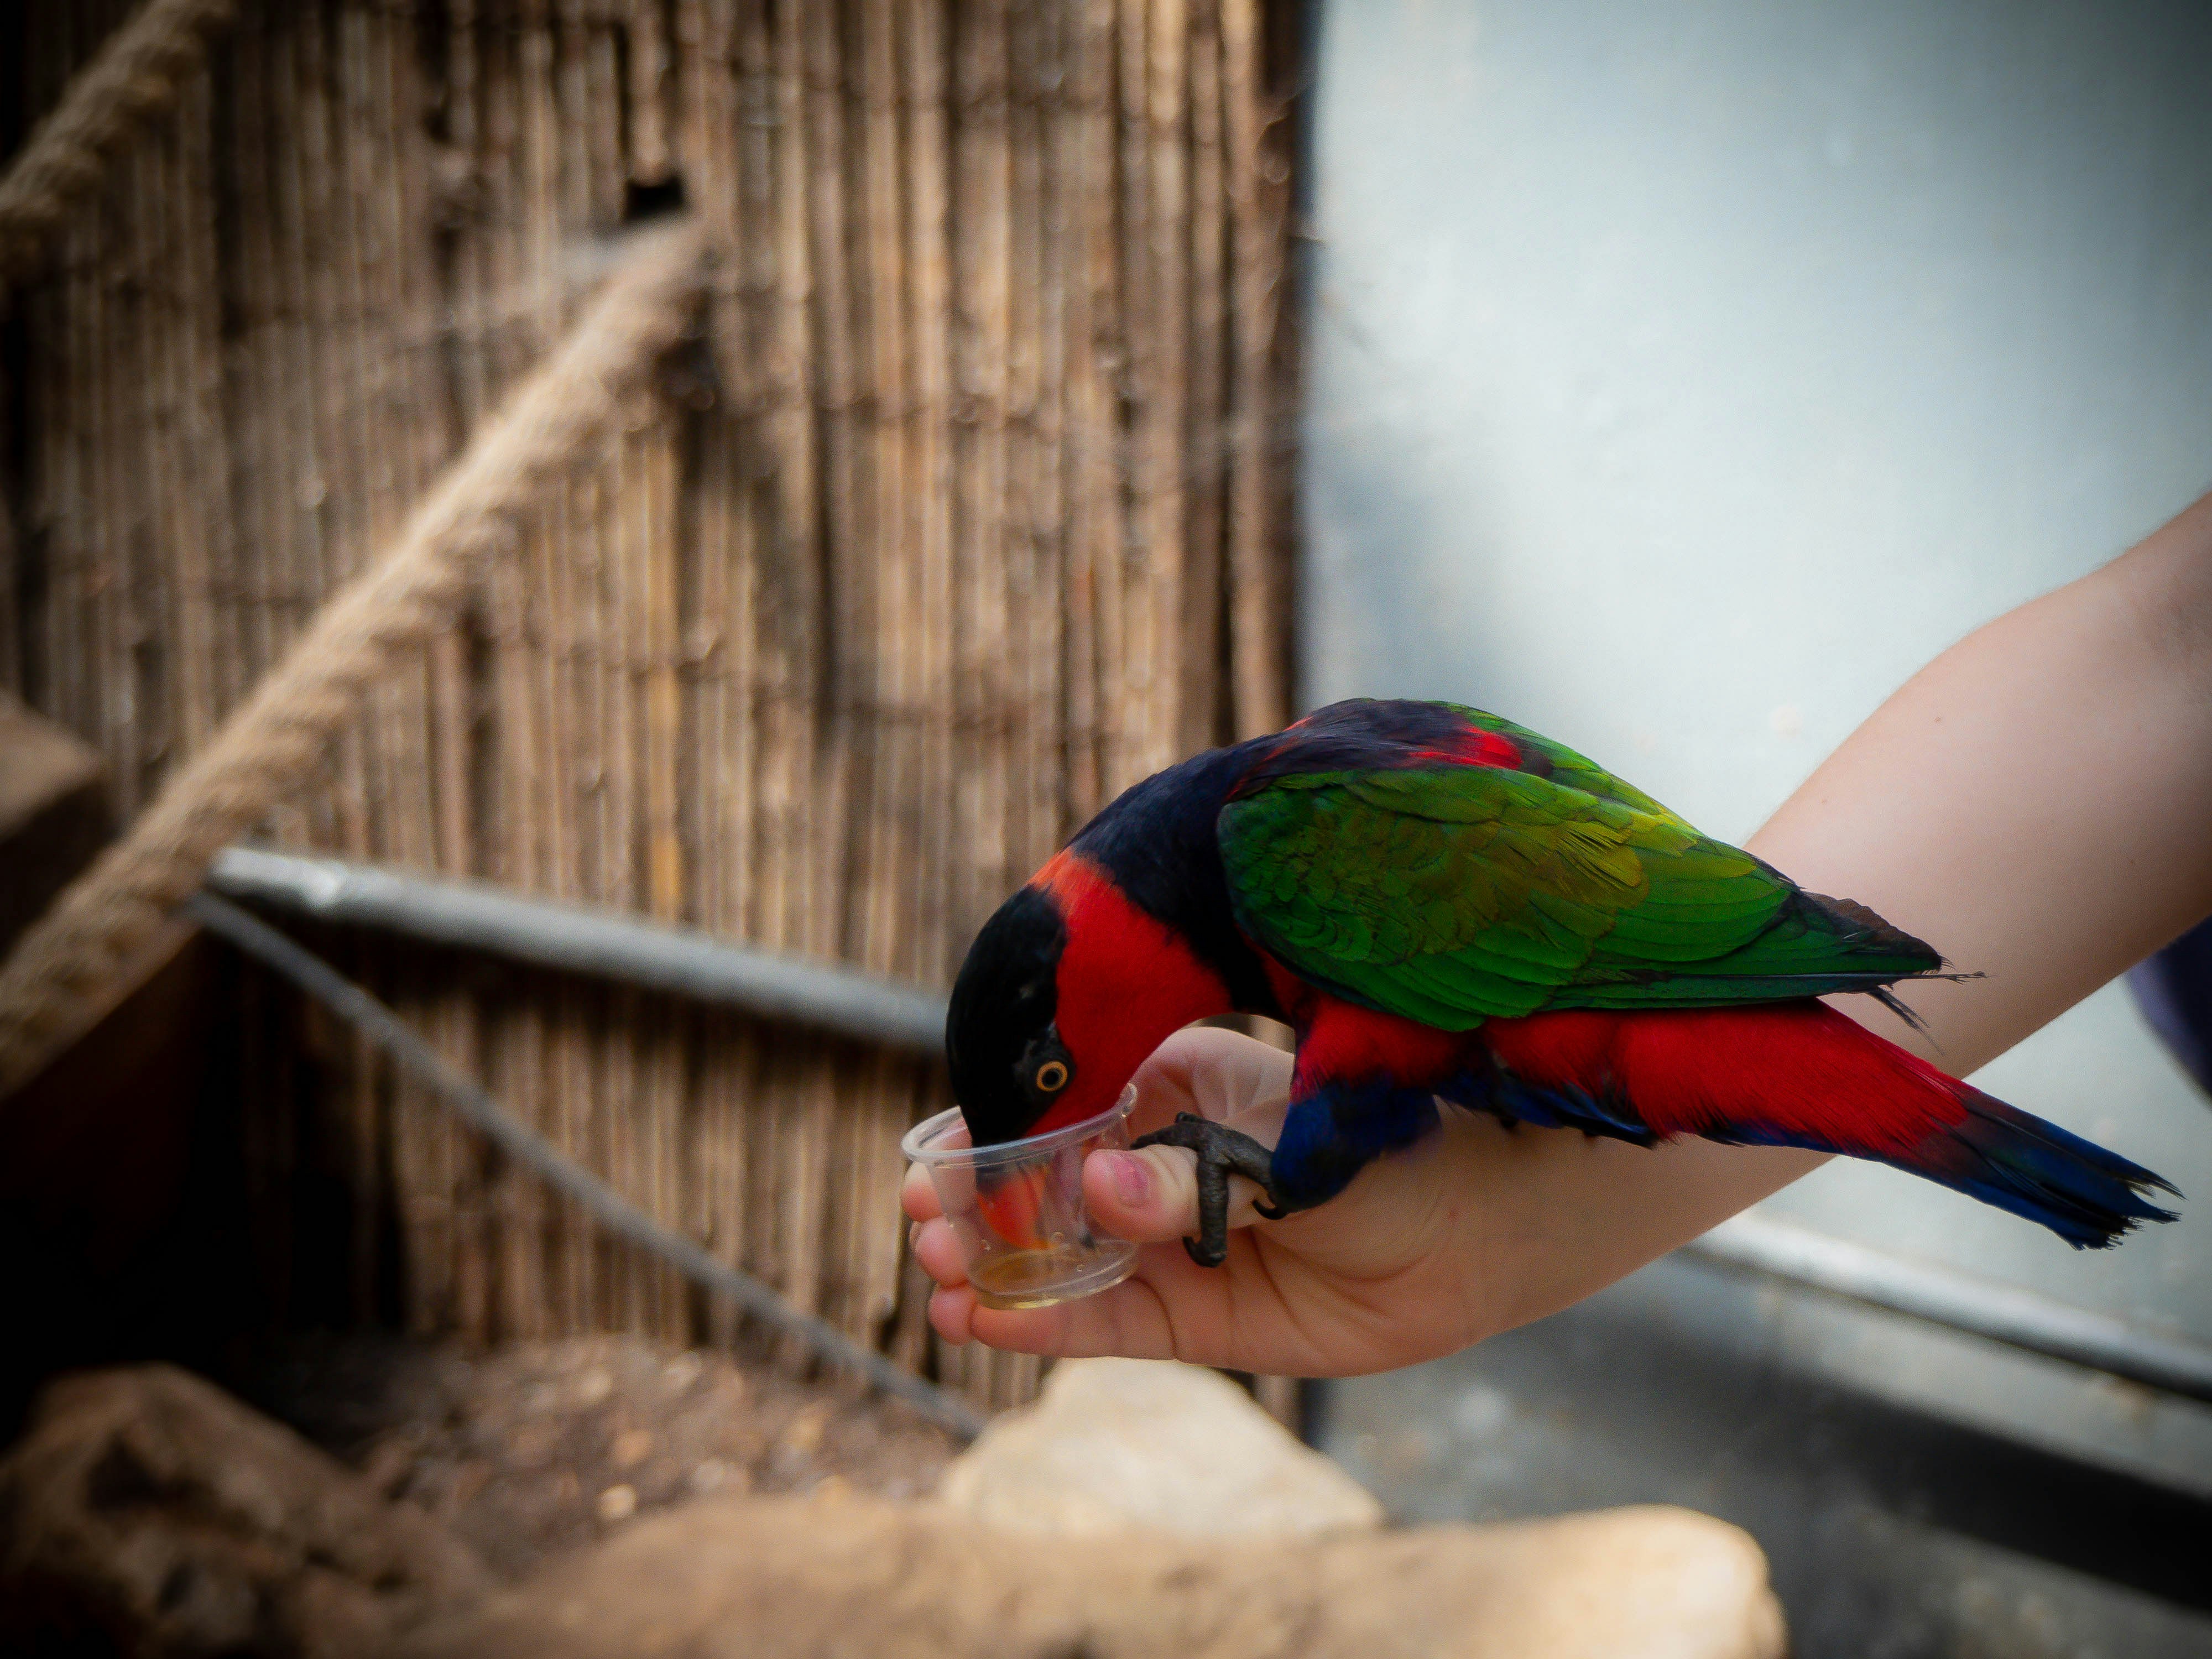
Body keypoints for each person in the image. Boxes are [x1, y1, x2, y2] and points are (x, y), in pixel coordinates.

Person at [904, 489, 2212, 1378]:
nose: (1085, 1103)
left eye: (1060, 1082)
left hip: (1648, 1003)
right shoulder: (1274, 832)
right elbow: (2170, 643)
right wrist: (1503, 1230)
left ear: (1092, 964)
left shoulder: (1279, 844)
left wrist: (1277, 1173)